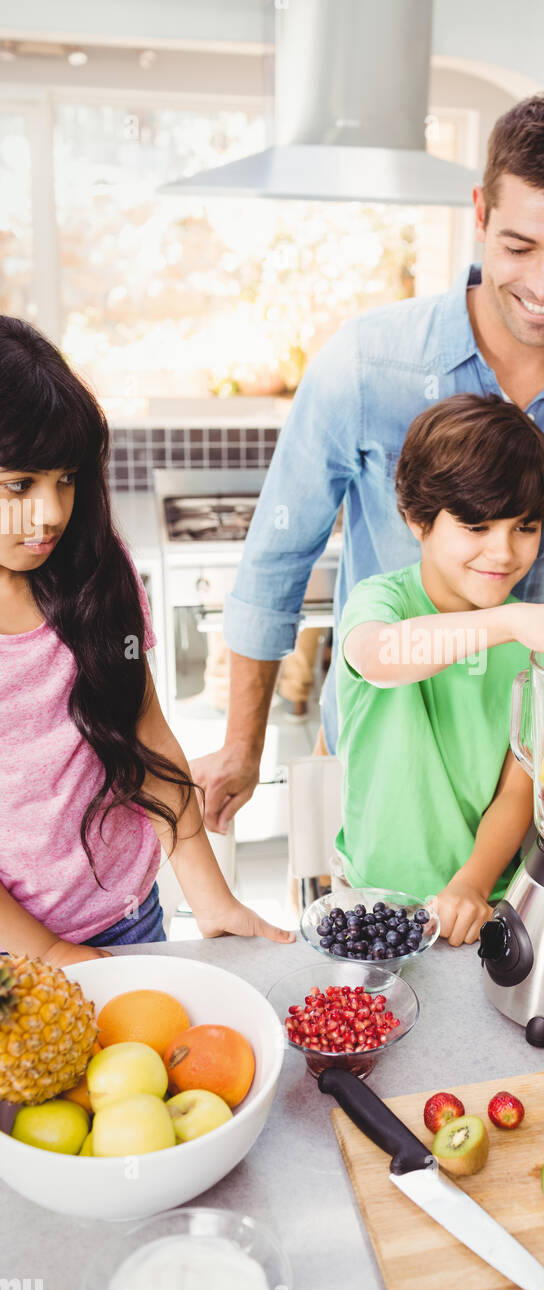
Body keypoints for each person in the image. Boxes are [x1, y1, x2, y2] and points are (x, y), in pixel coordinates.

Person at [192, 88, 544, 833]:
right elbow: (277, 558)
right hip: (382, 768)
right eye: (517, 246)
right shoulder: (367, 364)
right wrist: (241, 747)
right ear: (479, 213)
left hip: (535, 785)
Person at [0, 318, 295, 966]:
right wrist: (49, 950)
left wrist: (211, 898)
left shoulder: (100, 574)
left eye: (66, 479)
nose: (50, 511)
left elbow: (147, 738)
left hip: (129, 922)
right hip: (15, 956)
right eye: (19, 484)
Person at [334, 393, 544, 946]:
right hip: (373, 896)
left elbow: (518, 792)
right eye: (476, 527)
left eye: (526, 526)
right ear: (418, 520)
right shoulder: (383, 603)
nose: (504, 552)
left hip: (489, 898)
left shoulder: (535, 642)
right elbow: (381, 658)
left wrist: (471, 884)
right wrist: (511, 620)